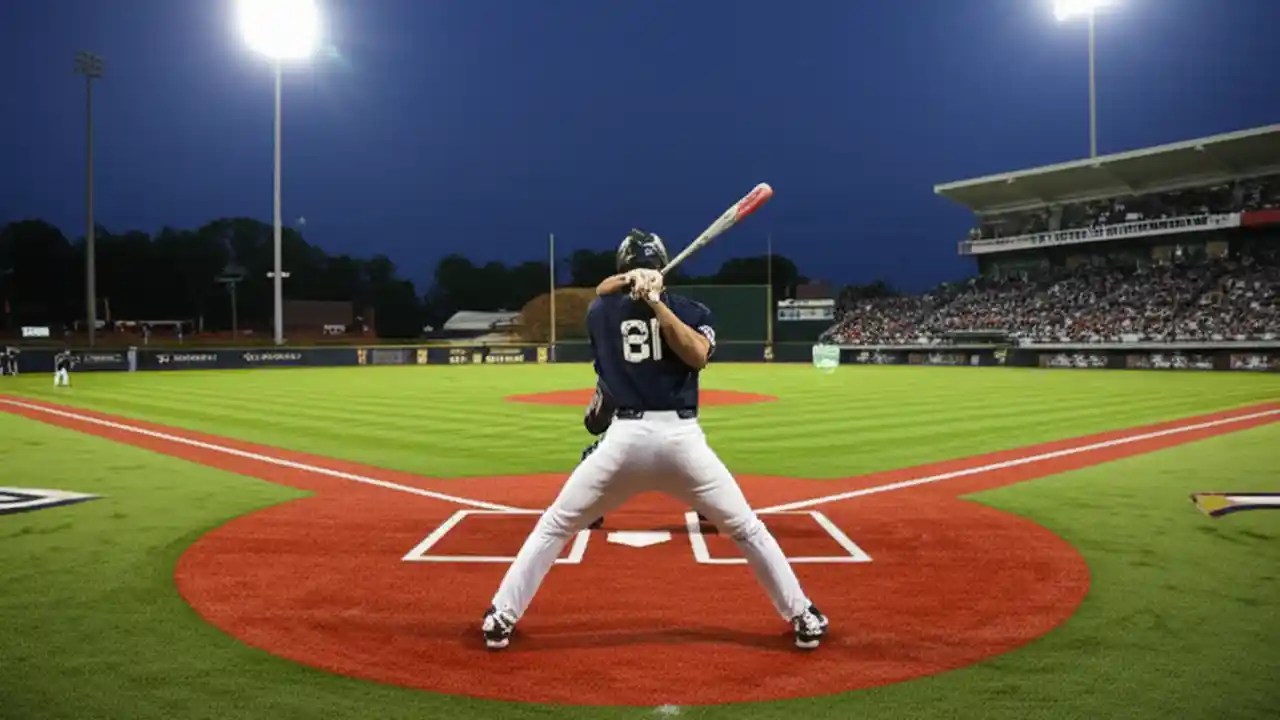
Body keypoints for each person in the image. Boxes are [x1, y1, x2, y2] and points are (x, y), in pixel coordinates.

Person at [482, 228, 828, 651]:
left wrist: (653, 302)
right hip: (673, 440)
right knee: (748, 530)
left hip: (632, 441)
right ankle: (802, 614)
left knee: (555, 525)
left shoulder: (601, 313)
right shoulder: (690, 310)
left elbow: (689, 352)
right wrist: (646, 293)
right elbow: (697, 352)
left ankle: (502, 614)